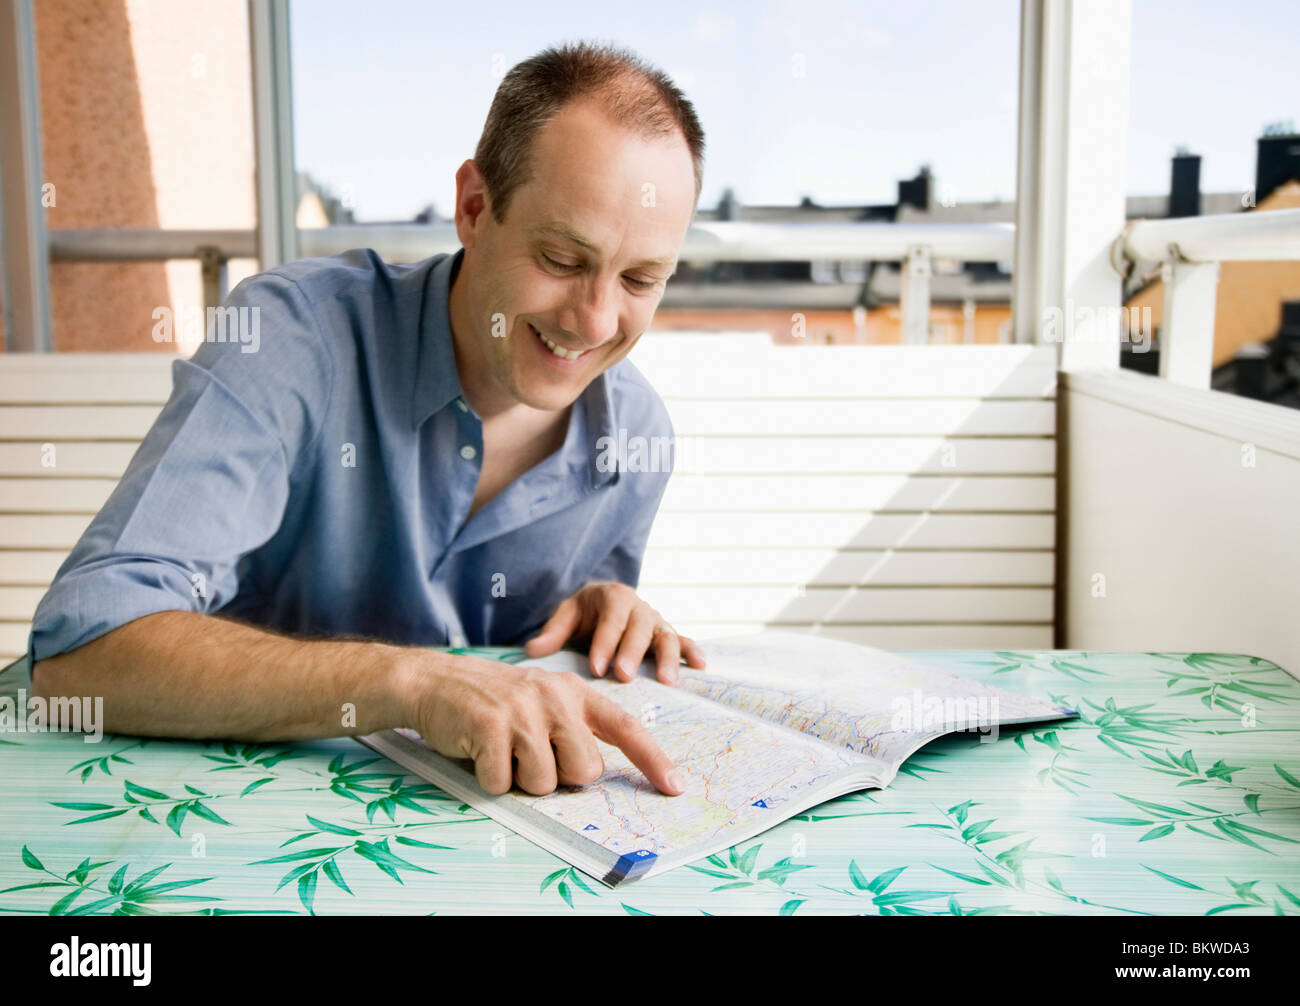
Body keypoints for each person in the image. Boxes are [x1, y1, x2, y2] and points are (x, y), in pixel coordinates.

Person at [27, 40, 708, 799]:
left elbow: (522, 699)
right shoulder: (291, 338)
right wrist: (410, 680)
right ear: (475, 209)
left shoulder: (637, 438)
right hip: (216, 816)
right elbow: (80, 654)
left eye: (641, 278)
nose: (593, 320)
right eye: (561, 259)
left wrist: (584, 623)